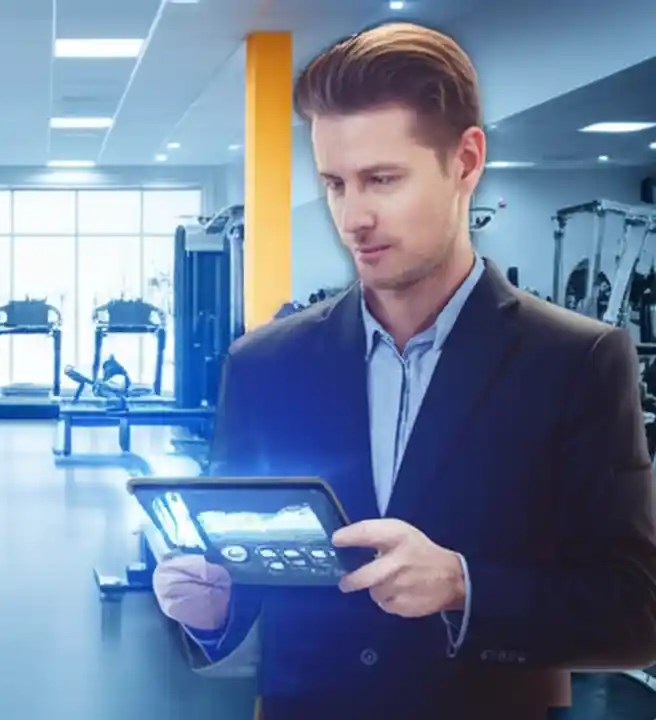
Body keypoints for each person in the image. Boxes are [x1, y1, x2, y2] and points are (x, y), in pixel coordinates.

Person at [152, 21, 656, 720]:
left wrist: (462, 586)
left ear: (465, 161)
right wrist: (212, 611)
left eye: (382, 180)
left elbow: (635, 611)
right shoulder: (264, 364)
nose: (352, 217)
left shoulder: (577, 361)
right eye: (334, 184)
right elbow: (248, 572)